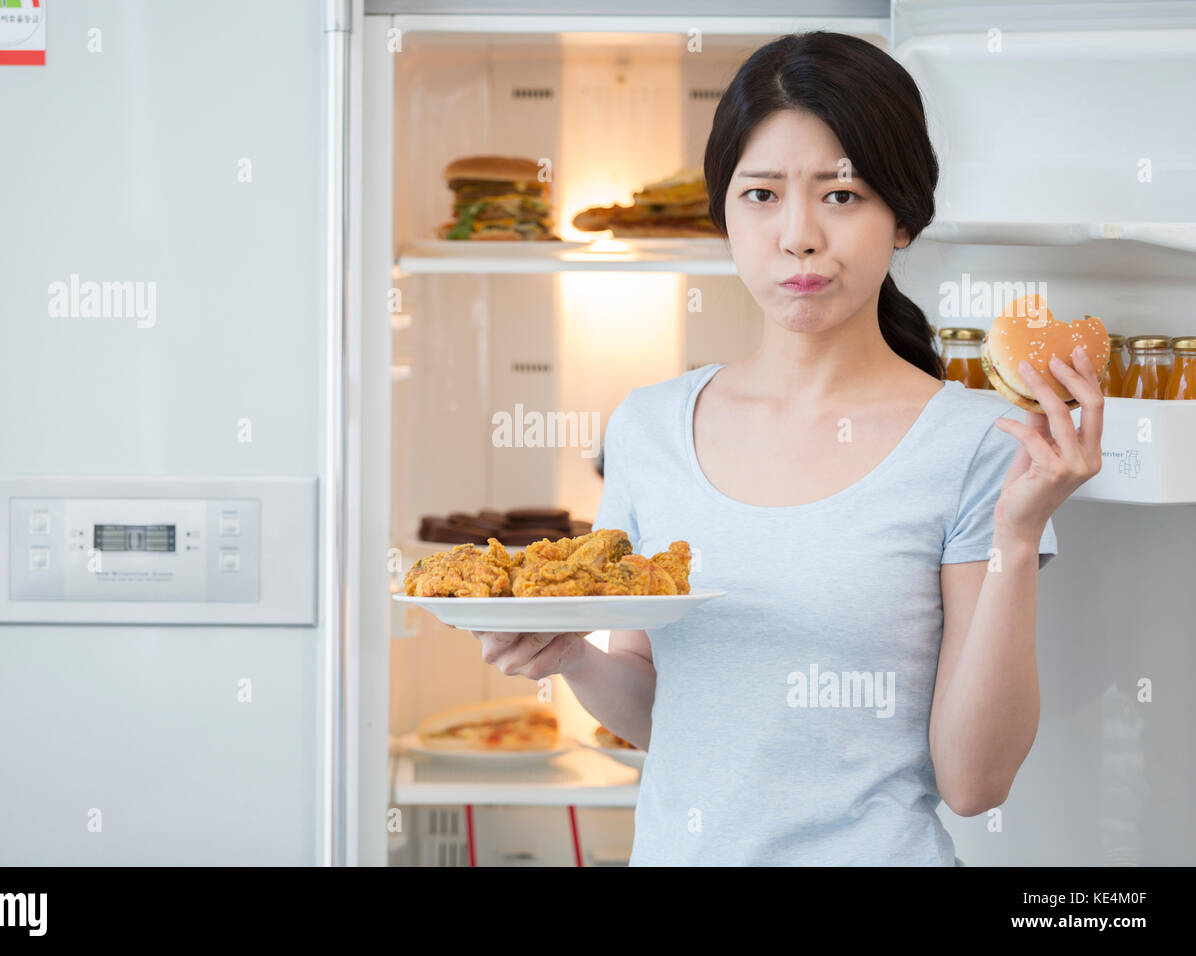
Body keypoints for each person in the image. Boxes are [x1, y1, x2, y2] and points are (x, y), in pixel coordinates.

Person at [472, 31, 1103, 865]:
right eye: (761, 194)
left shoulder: (977, 442)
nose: (799, 235)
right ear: (724, 213)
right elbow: (666, 713)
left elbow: (973, 783)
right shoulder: (648, 427)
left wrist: (1017, 540)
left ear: (904, 217)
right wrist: (573, 660)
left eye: (841, 196)